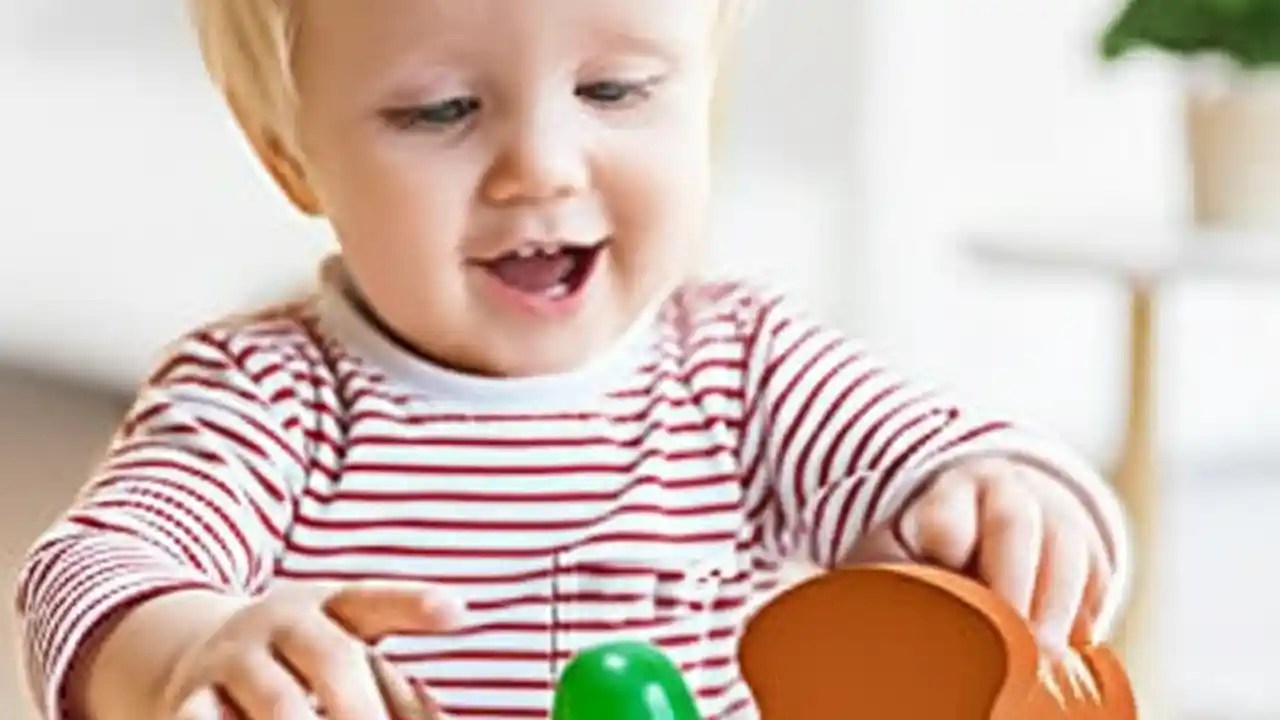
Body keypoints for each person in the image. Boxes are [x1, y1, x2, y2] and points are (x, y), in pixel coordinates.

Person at [15, 1, 1131, 718]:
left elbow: (975, 470)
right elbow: (93, 572)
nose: (540, 168)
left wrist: (1007, 504)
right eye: (441, 109)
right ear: (291, 159)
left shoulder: (745, 368)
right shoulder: (265, 397)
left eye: (612, 91)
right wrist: (189, 653)